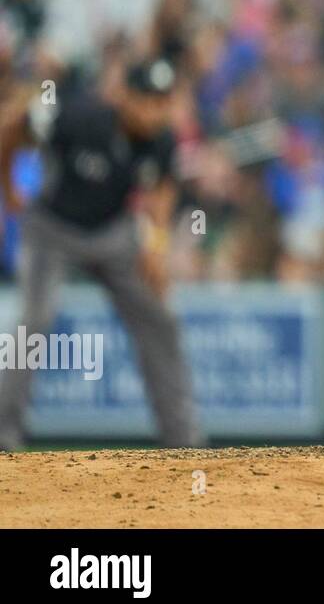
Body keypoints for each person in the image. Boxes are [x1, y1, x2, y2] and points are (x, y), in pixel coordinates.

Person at [0, 58, 202, 451]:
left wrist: (156, 247)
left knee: (160, 319)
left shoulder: (162, 139)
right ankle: (3, 436)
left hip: (112, 233)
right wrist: (8, 191)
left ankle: (183, 442)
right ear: (125, 95)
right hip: (52, 229)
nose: (153, 110)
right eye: (146, 98)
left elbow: (161, 194)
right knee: (34, 321)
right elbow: (11, 127)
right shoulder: (81, 116)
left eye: (161, 101)